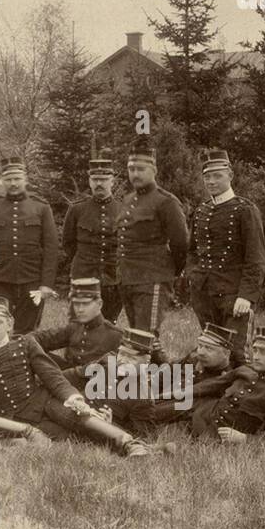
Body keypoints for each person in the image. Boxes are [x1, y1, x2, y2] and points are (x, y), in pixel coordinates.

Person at [0, 296, 150, 456]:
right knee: (68, 438)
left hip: (42, 402)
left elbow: (51, 375)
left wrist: (74, 397)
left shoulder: (25, 344)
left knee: (77, 416)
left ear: (9, 324)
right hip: (9, 416)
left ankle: (127, 442)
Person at [186, 149, 265, 368]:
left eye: (217, 175)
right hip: (204, 295)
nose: (211, 181)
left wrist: (247, 296)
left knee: (238, 354)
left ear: (230, 175)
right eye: (207, 176)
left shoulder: (245, 210)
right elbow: (192, 251)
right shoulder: (201, 210)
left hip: (234, 297)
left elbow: (256, 258)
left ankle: (246, 400)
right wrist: (194, 277)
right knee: (210, 352)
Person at [114, 138, 188, 362]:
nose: (134, 174)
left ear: (154, 170)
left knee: (143, 336)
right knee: (141, 336)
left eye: (140, 169)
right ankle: (169, 379)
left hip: (152, 278)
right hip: (128, 278)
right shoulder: (128, 200)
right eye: (131, 169)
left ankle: (142, 391)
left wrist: (167, 274)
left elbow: (181, 243)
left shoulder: (166, 202)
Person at [0, 155, 59, 333]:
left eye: (17, 178)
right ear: (3, 180)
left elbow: (51, 247)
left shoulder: (41, 207)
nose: (13, 183)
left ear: (25, 179)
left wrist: (46, 283)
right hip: (0, 281)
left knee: (27, 332)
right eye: (8, 179)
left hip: (32, 280)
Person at [188, 327, 265, 442]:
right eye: (255, 350)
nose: (255, 357)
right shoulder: (246, 370)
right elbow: (213, 384)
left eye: (263, 352)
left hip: (214, 439)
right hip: (200, 415)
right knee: (174, 404)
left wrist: (245, 438)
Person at [56, 154, 123, 321]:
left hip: (112, 279)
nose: (99, 184)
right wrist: (84, 262)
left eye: (103, 179)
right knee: (78, 324)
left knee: (109, 325)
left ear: (112, 181)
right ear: (90, 181)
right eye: (95, 179)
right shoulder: (77, 210)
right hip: (83, 277)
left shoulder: (123, 210)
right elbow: (68, 244)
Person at [30, 277, 124, 366]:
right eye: (76, 304)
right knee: (30, 351)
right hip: (64, 380)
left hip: (93, 380)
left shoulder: (115, 336)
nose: (80, 309)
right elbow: (43, 338)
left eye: (85, 304)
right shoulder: (74, 328)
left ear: (99, 304)